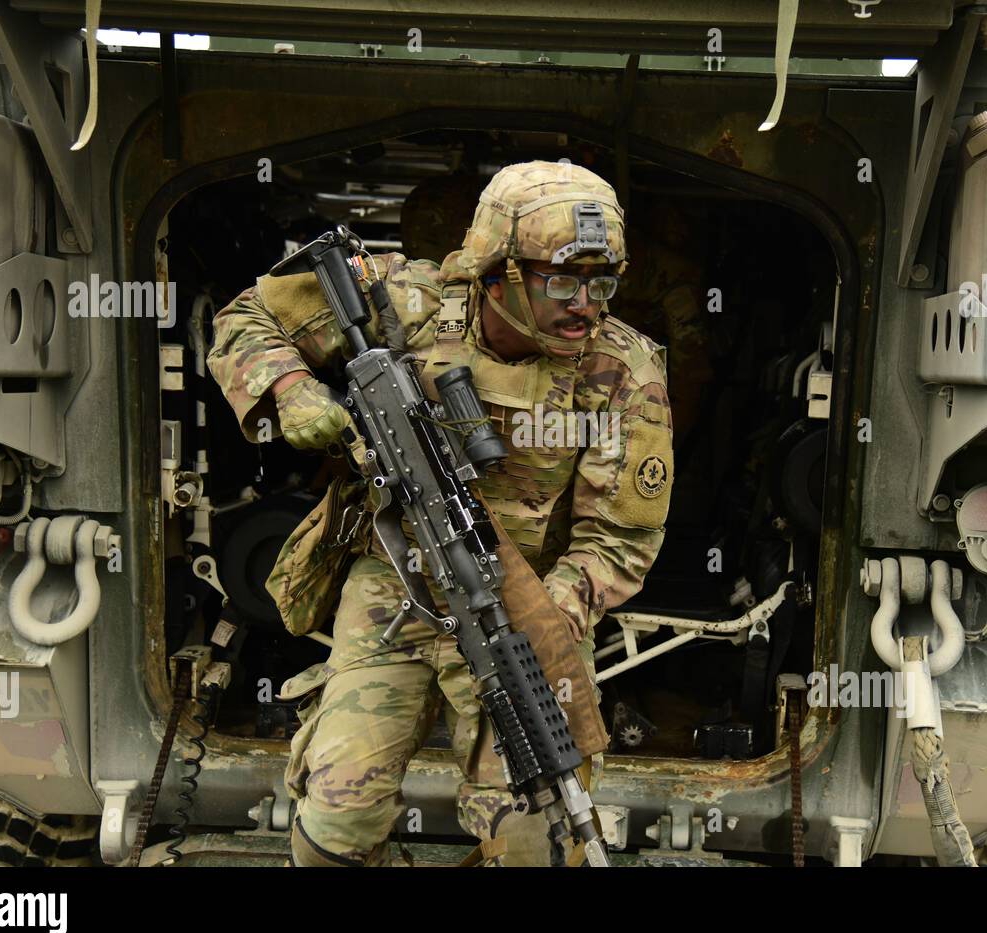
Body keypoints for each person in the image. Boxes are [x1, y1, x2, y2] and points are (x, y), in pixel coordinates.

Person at [206, 159, 673, 866]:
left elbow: (617, 542)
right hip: (395, 582)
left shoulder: (622, 370)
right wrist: (291, 387)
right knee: (335, 826)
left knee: (538, 839)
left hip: (522, 604)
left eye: (603, 283)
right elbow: (249, 316)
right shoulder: (404, 304)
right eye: (564, 282)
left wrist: (544, 617)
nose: (588, 305)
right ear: (499, 272)